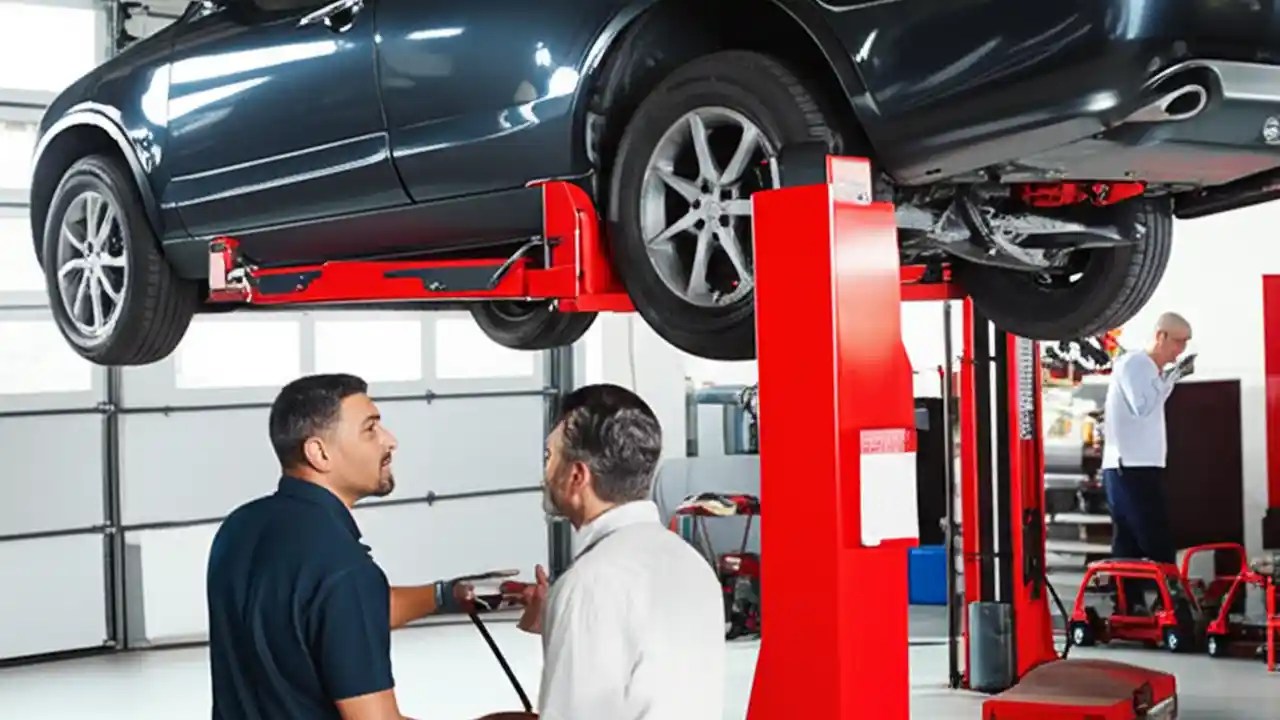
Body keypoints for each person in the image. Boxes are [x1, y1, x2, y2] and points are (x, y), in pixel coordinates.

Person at [206, 373, 517, 720]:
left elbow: (334, 615)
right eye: (370, 429)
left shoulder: (238, 529)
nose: (390, 441)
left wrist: (445, 595)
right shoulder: (343, 566)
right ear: (319, 453)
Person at [516, 383, 726, 720]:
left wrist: (569, 608)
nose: (544, 473)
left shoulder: (590, 583)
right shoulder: (692, 563)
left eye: (549, 456)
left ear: (576, 476)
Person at [1100, 312, 1196, 612]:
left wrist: (1169, 378)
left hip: (1132, 465)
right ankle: (1172, 604)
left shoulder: (1149, 370)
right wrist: (1171, 376)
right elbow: (1142, 406)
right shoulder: (1136, 364)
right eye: (1178, 342)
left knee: (1127, 542)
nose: (1179, 350)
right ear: (1160, 336)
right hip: (1131, 465)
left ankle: (1128, 605)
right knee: (1155, 536)